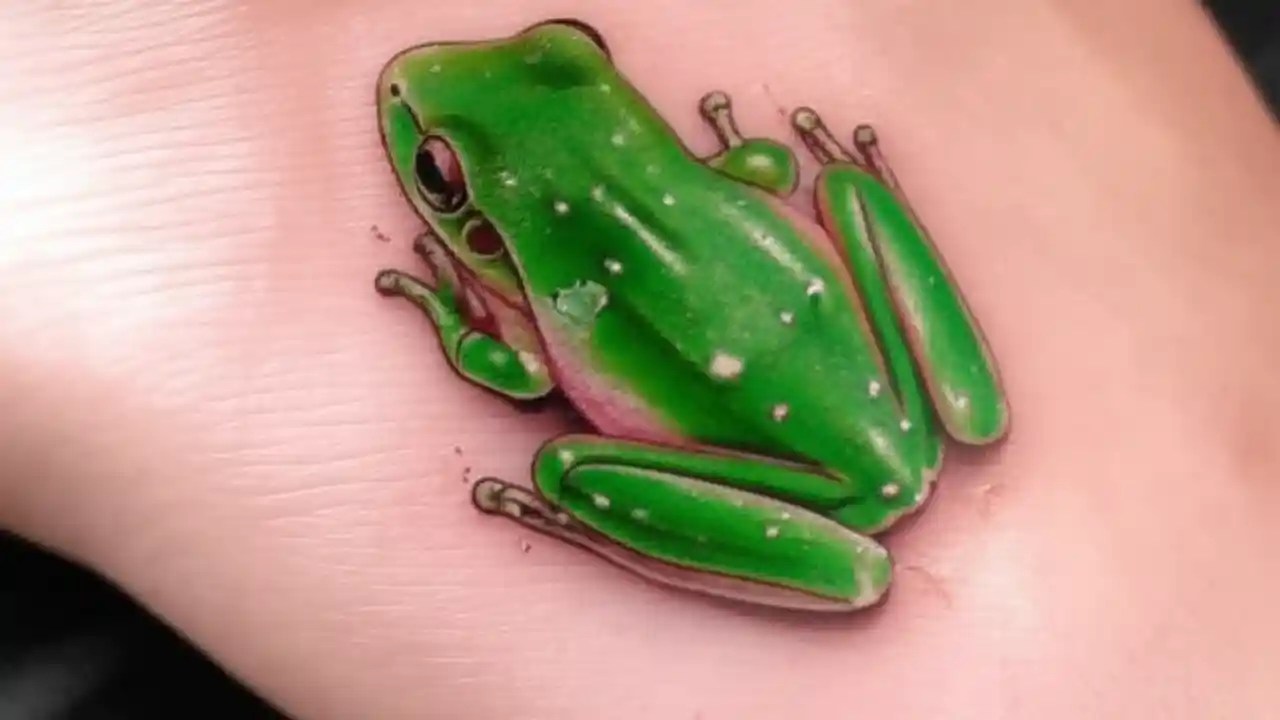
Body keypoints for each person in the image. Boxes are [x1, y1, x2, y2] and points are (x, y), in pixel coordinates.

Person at [2, 2, 1278, 718]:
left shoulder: (516, 281)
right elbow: (768, 170)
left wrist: (459, 315)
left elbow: (514, 377)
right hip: (900, 402)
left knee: (560, 460)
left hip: (847, 506)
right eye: (444, 179)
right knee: (825, 198)